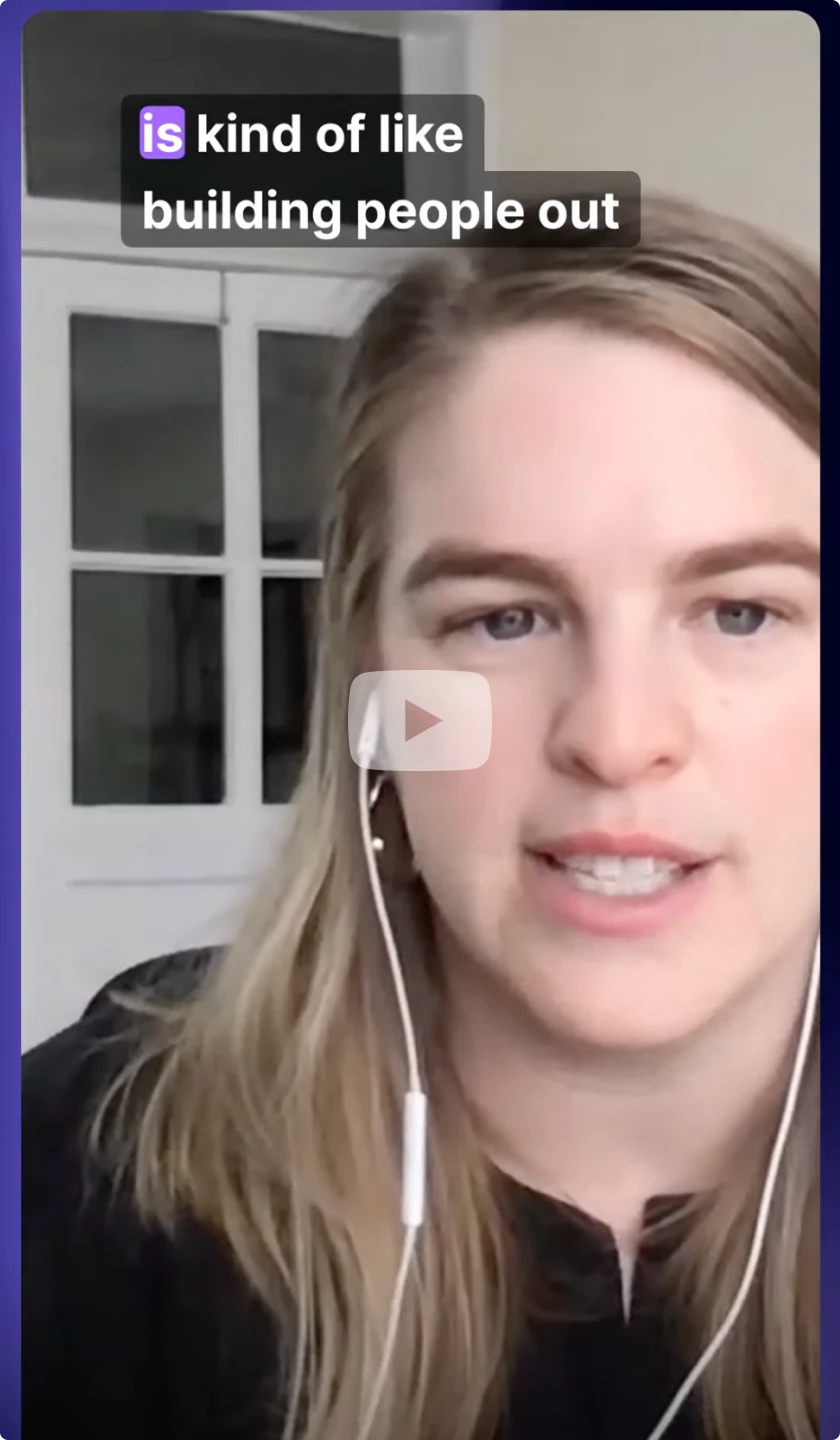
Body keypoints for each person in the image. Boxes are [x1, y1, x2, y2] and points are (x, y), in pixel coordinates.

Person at [23, 194, 820, 1440]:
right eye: (503, 619)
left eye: (743, 613)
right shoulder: (71, 1185)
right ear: (372, 693)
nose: (615, 738)